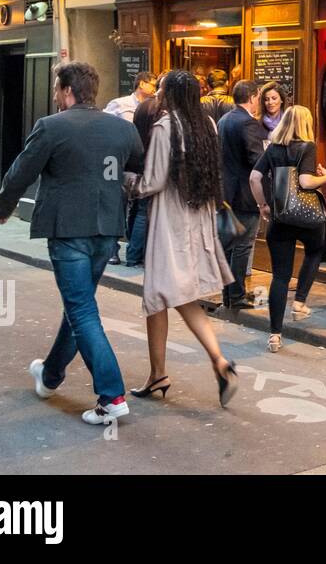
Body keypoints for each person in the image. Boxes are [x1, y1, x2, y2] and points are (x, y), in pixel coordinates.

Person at [0, 62, 144, 426]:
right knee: (79, 306)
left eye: (55, 88)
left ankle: (112, 396)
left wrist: (4, 207)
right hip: (107, 230)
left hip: (68, 231)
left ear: (66, 90)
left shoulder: (51, 127)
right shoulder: (122, 129)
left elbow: (20, 172)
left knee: (81, 310)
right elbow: (135, 166)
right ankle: (49, 375)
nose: (53, 94)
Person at [131, 70, 240, 406]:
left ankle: (162, 374)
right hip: (198, 218)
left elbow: (152, 181)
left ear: (171, 94)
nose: (158, 95)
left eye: (161, 90)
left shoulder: (166, 126)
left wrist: (127, 182)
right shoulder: (206, 124)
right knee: (179, 296)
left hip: (170, 221)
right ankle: (208, 363)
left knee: (157, 295)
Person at [249, 105, 326, 352]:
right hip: (307, 217)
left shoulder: (273, 148)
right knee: (315, 252)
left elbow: (254, 177)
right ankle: (300, 303)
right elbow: (306, 182)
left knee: (281, 276)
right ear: (306, 124)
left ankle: (275, 335)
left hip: (280, 218)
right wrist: (325, 178)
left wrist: (263, 205)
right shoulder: (307, 147)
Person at [217, 80, 269, 309]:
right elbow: (256, 159)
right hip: (245, 194)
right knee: (243, 246)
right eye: (258, 97)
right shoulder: (248, 123)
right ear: (252, 97)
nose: (259, 102)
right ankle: (237, 295)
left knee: (230, 245)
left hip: (226, 192)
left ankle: (228, 294)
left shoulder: (224, 119)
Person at [105, 70, 158, 265]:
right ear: (142, 84)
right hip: (116, 163)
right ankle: (112, 250)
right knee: (116, 206)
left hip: (137, 165)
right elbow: (105, 129)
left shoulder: (151, 108)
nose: (154, 89)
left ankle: (132, 249)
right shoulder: (120, 104)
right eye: (152, 84)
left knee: (135, 206)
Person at [124, 95, 163, 267]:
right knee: (143, 211)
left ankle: (133, 254)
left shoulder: (142, 106)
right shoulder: (161, 109)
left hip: (139, 162)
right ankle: (137, 255)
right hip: (153, 165)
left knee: (137, 210)